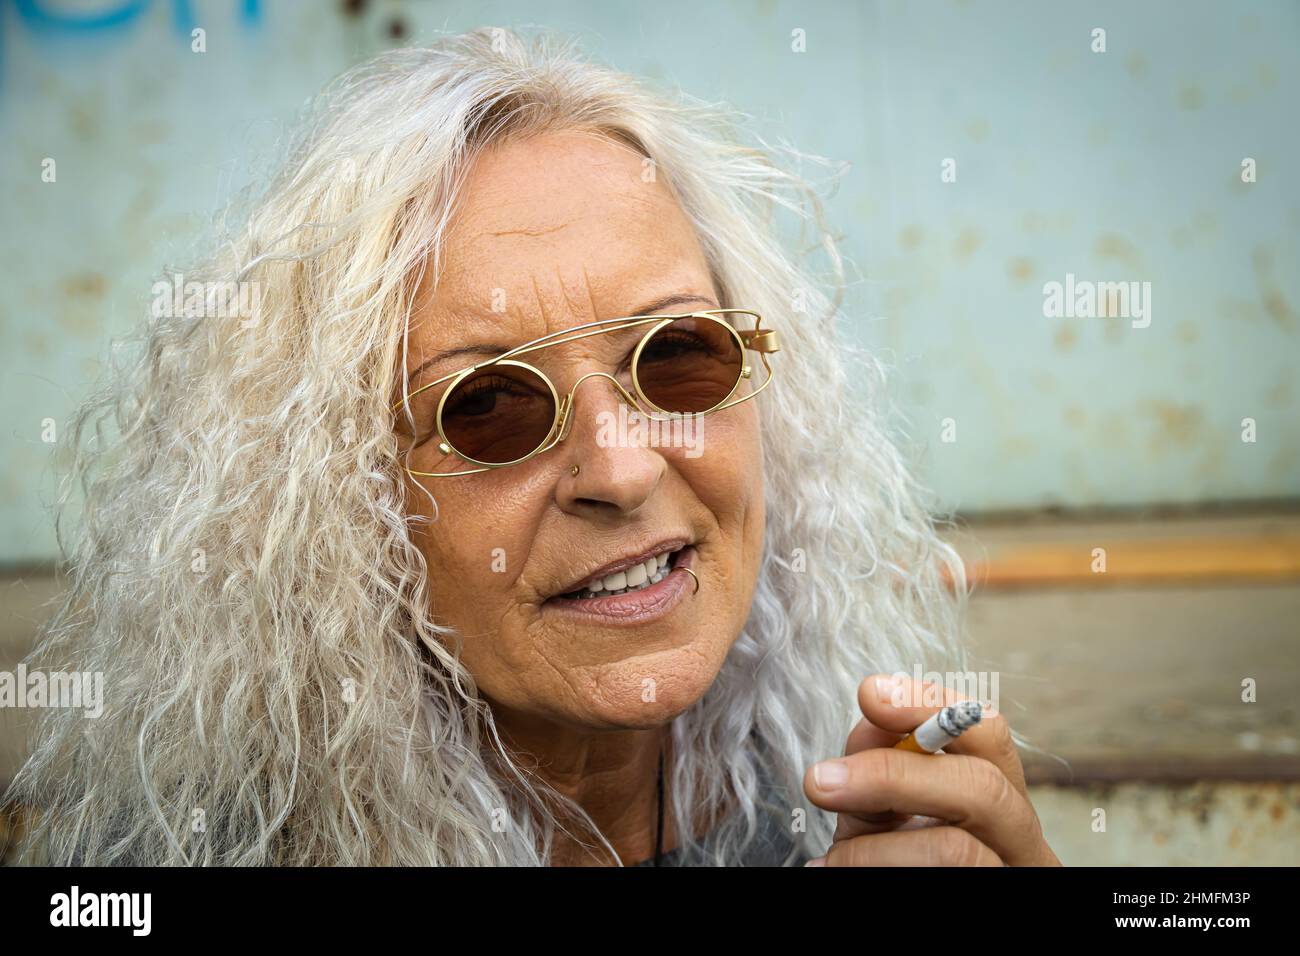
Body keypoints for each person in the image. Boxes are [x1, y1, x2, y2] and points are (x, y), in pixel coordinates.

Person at [12, 27, 1059, 867]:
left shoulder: (838, 804)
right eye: (492, 408)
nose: (621, 467)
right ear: (334, 506)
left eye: (676, 357)